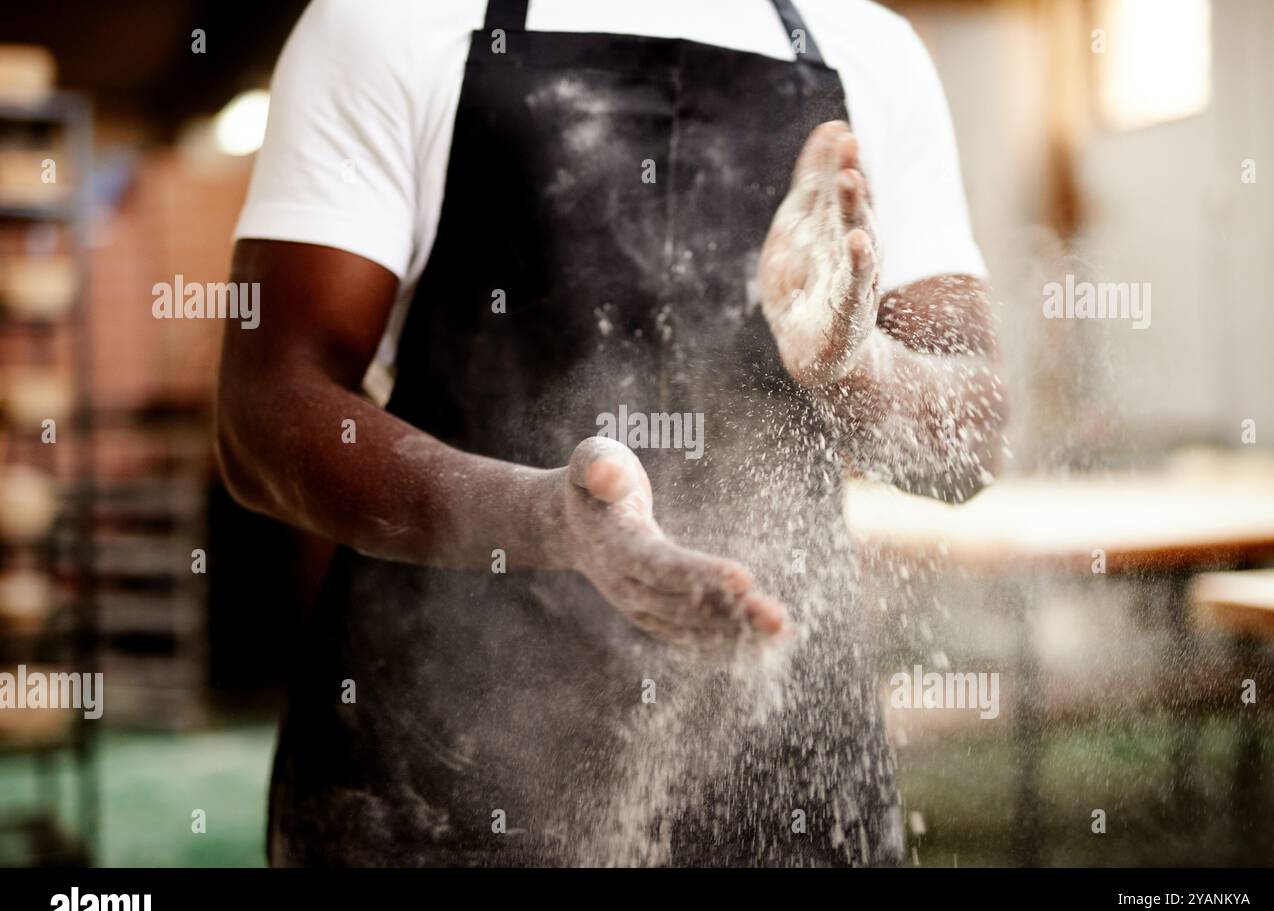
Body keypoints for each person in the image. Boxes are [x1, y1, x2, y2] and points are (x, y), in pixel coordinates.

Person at [217, 0, 1004, 866]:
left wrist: (852, 363)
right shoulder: (387, 20)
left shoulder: (870, 46)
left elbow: (967, 441)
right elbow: (265, 406)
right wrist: (544, 518)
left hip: (781, 760)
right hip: (448, 768)